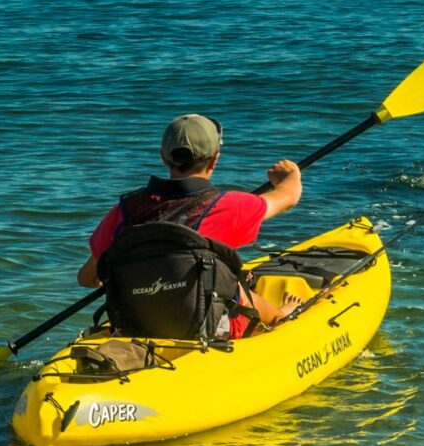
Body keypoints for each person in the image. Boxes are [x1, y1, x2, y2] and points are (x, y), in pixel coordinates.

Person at [78, 113, 303, 339]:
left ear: (164, 158)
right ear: (215, 159)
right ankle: (279, 316)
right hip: (212, 325)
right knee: (235, 285)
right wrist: (290, 174)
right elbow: (288, 196)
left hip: (138, 321)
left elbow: (87, 278)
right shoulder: (232, 206)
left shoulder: (125, 210)